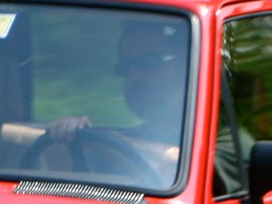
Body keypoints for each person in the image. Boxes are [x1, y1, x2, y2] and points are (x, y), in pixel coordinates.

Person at [42, 21, 187, 180]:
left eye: (148, 62)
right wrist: (67, 137)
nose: (133, 77)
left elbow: (180, 167)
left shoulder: (214, 139)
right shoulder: (131, 138)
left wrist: (104, 142)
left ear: (185, 65)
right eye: (124, 67)